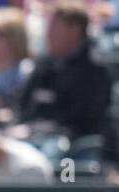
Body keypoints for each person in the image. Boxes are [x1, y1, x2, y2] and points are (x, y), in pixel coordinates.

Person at [18, 0, 113, 146]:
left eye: (54, 28)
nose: (48, 34)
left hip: (73, 147)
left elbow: (83, 122)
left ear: (74, 29)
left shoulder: (96, 69)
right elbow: (23, 104)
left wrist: (40, 130)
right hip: (32, 137)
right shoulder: (43, 63)